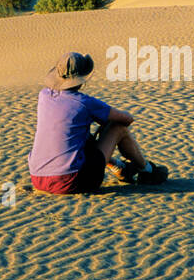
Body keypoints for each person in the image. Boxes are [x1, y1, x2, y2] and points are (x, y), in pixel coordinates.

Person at [28, 51, 168, 194]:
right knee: (118, 128)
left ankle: (120, 168)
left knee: (79, 135)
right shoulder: (84, 102)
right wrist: (106, 120)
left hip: (38, 179)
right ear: (83, 79)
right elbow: (127, 119)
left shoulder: (44, 95)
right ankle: (147, 171)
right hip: (72, 181)